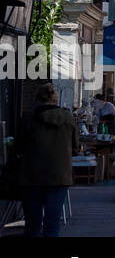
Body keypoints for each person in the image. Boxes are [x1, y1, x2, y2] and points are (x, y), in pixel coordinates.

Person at [15, 82, 77, 236]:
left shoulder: (28, 118)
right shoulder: (68, 118)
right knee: (52, 224)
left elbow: (19, 147)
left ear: (37, 99)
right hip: (59, 175)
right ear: (56, 100)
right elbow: (75, 145)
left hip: (32, 176)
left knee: (32, 225)